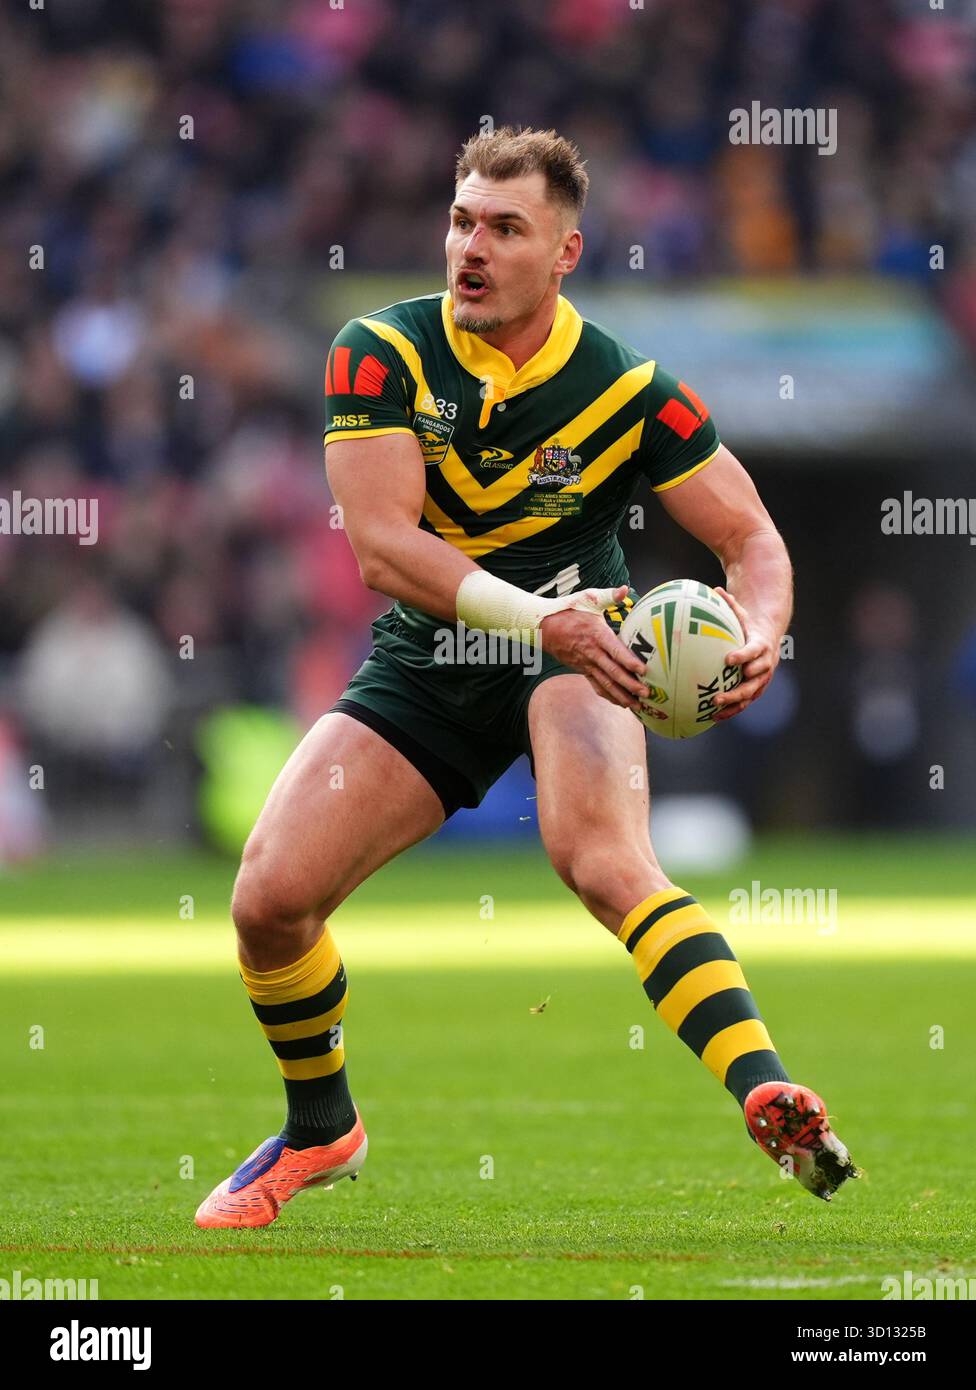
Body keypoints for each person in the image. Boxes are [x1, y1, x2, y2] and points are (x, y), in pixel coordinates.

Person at [195, 127, 858, 1229]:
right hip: (437, 655)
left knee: (604, 861)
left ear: (564, 253)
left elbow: (751, 541)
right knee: (268, 903)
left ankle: (766, 1092)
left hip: (581, 653)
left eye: (506, 229)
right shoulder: (380, 352)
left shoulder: (630, 390)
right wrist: (539, 617)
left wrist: (761, 630)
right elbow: (381, 548)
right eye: (463, 221)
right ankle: (322, 1129)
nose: (473, 247)